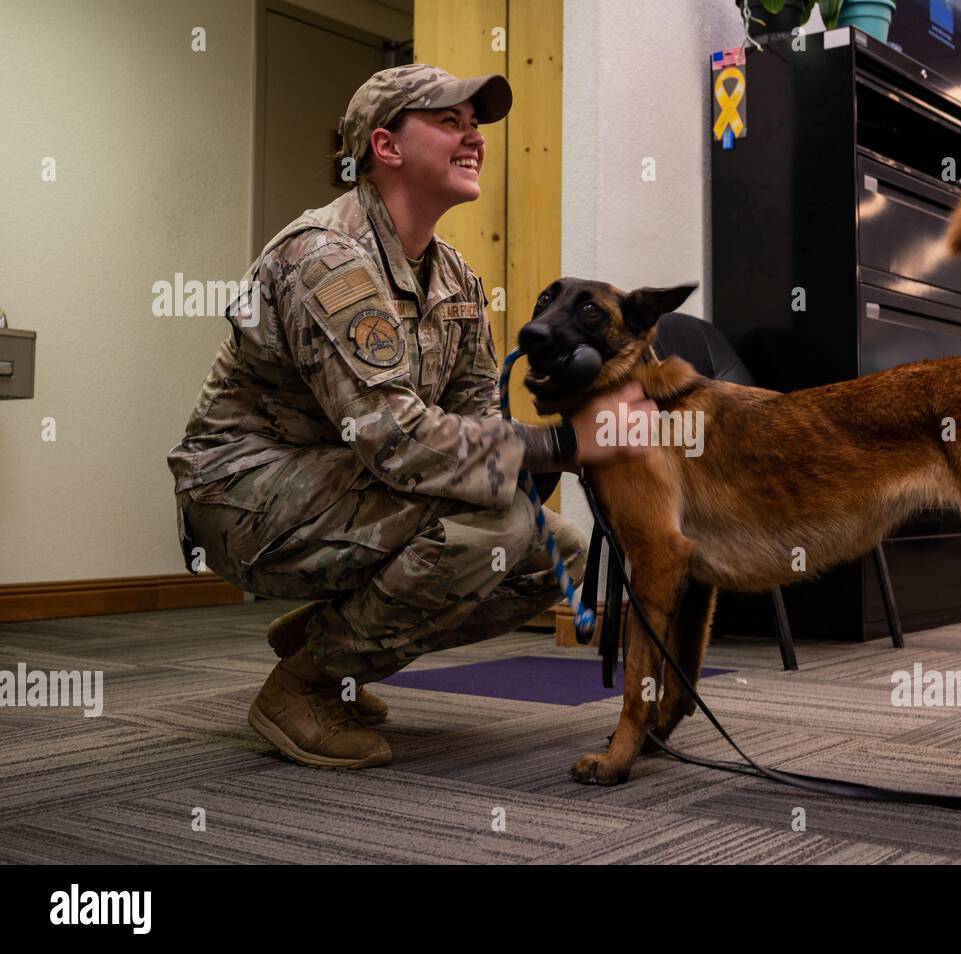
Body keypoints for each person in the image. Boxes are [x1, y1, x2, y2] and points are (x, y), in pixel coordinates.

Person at [167, 65, 654, 770]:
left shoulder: (455, 277)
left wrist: (543, 448)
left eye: (476, 123)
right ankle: (301, 687)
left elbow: (475, 418)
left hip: (353, 485)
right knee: (500, 526)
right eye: (450, 121)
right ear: (386, 147)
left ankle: (326, 645)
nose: (474, 136)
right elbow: (396, 441)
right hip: (242, 493)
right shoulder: (325, 258)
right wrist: (561, 444)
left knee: (559, 557)